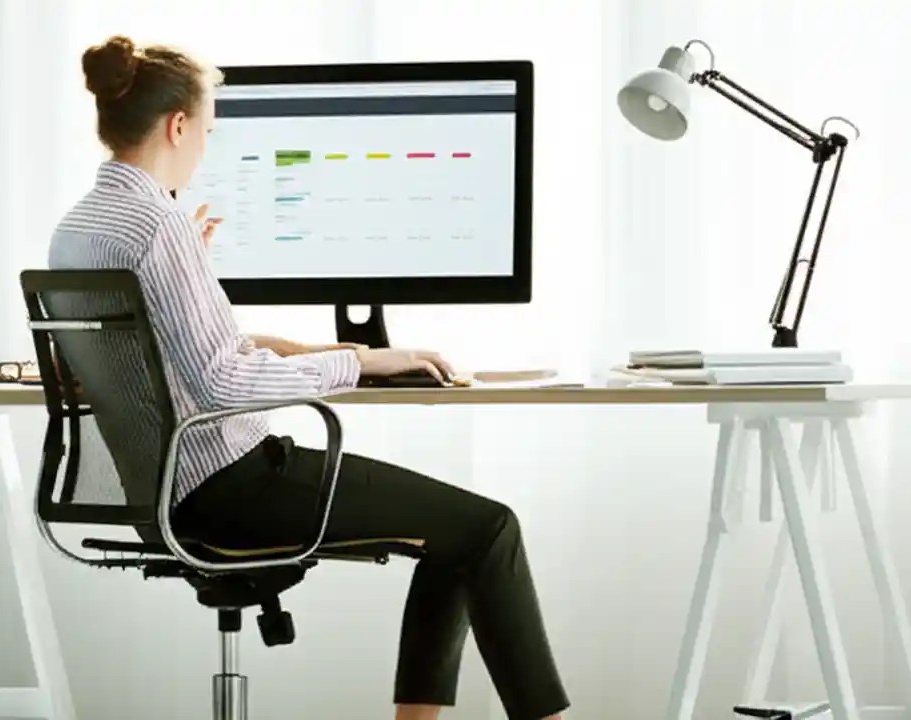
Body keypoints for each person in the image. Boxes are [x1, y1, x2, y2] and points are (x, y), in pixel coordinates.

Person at [48, 35, 570, 720]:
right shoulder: (157, 223)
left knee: (456, 534)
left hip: (165, 492)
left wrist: (319, 342)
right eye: (207, 130)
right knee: (489, 530)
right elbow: (224, 384)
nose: (206, 146)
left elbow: (151, 361)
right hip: (229, 486)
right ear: (177, 125)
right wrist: (358, 360)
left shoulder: (78, 227)